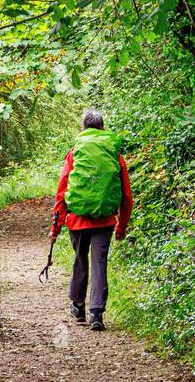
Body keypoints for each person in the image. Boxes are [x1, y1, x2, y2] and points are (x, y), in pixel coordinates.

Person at [49, 110, 132, 331]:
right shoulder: (115, 154)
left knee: (80, 259)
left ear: (83, 128)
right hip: (105, 220)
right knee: (99, 263)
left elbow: (62, 190)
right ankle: (96, 313)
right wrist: (121, 226)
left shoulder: (75, 152)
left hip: (77, 218)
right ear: (103, 128)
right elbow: (126, 195)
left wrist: (55, 227)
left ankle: (77, 306)